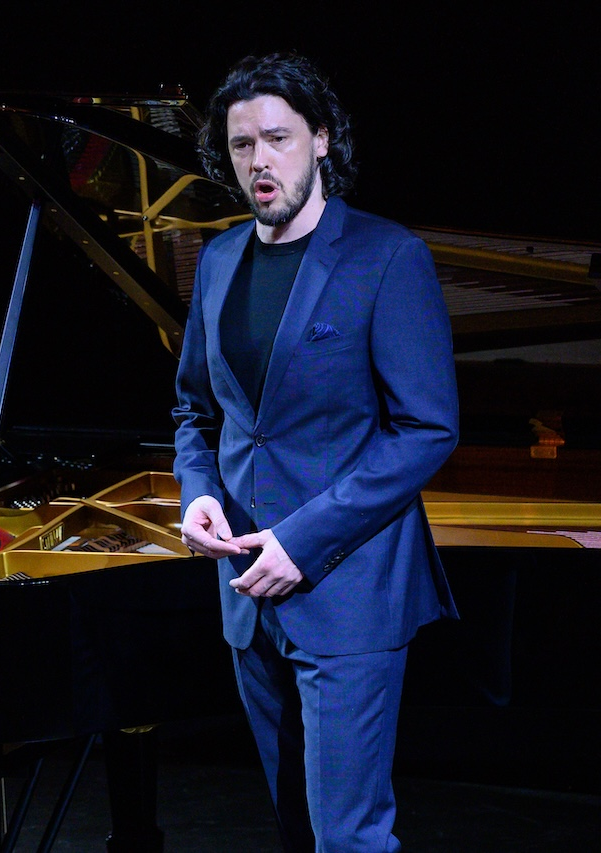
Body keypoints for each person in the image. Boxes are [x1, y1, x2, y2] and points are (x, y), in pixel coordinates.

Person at [171, 52, 460, 851]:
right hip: (245, 593)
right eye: (241, 146)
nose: (260, 163)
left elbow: (428, 428)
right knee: (295, 831)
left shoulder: (387, 256)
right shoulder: (219, 259)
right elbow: (196, 409)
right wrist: (196, 490)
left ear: (322, 139)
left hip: (349, 591)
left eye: (278, 139)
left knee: (348, 837)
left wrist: (303, 540)